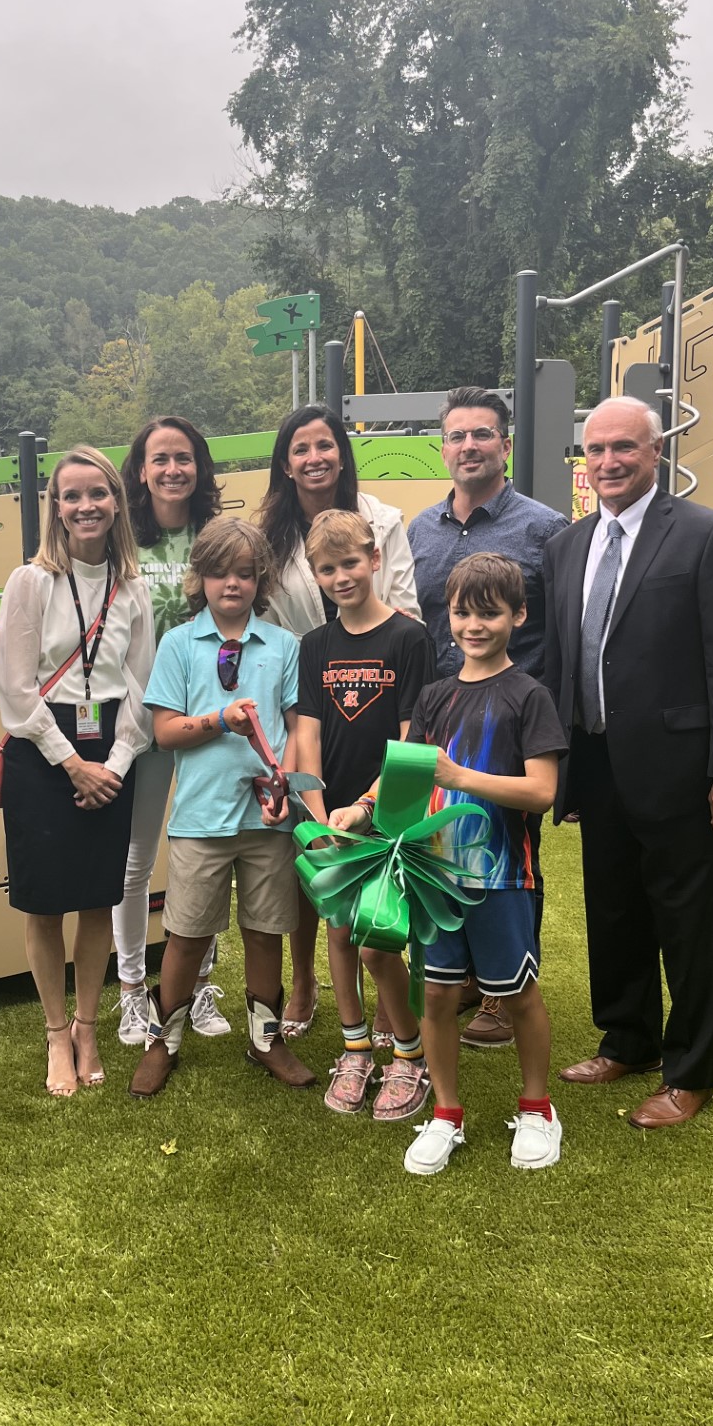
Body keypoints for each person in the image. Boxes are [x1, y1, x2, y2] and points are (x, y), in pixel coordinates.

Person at [540, 397, 713, 1128]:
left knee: (691, 924)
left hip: (682, 771)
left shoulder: (706, 534)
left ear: (656, 451)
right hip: (596, 762)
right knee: (613, 911)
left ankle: (690, 1073)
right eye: (596, 449)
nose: (608, 462)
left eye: (624, 448)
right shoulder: (566, 546)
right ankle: (626, 1040)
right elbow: (560, 662)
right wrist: (557, 760)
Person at [330, 554, 567, 1176]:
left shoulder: (531, 695)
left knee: (516, 995)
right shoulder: (435, 696)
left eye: (490, 613)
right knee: (436, 995)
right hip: (435, 880)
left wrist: (459, 776)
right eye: (463, 613)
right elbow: (404, 773)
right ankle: (445, 1113)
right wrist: (361, 808)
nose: (474, 625)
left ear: (518, 616)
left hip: (502, 877)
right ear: (448, 618)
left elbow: (542, 791)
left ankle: (537, 1109)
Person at [407, 385, 568, 1054]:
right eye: (456, 435)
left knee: (511, 850)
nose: (468, 446)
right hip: (444, 711)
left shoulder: (545, 529)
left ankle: (506, 989)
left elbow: (563, 630)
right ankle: (467, 972)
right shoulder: (419, 530)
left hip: (512, 721)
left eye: (481, 434)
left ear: (505, 444)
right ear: (442, 447)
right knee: (449, 843)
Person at [131, 517, 314, 1098]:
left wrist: (289, 791)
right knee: (186, 935)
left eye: (244, 572)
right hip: (200, 819)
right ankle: (163, 1041)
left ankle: (266, 1040)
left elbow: (296, 729)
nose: (231, 583)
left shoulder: (284, 646)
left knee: (265, 931)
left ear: (260, 579)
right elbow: (164, 732)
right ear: (200, 578)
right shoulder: (179, 644)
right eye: (219, 572)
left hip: (268, 818)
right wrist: (218, 720)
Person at [256, 404, 421, 1039]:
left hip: (380, 709)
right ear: (285, 462)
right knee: (316, 860)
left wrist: (376, 797)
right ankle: (307, 985)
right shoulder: (272, 534)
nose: (314, 457)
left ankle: (388, 1007)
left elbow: (404, 607)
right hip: (308, 709)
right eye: (300, 448)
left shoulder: (382, 521)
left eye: (325, 444)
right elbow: (262, 622)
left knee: (383, 877)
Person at [0, 446, 155, 1098]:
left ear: (116, 502)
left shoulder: (135, 589)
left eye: (98, 493)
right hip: (43, 753)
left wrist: (111, 767)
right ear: (55, 508)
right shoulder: (30, 582)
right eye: (72, 495)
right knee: (43, 904)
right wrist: (72, 765)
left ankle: (88, 1027)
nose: (86, 506)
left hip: (112, 750)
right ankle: (56, 1033)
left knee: (97, 897)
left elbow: (141, 690)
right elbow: (15, 689)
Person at [296, 510, 435, 1124]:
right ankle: (354, 1049)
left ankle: (409, 1054)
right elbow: (306, 735)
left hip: (390, 814)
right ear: (316, 576)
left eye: (350, 562)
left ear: (375, 560)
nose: (341, 577)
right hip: (330, 818)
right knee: (338, 930)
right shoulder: (314, 646)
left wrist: (366, 806)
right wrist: (317, 817)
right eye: (327, 569)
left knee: (380, 938)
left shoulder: (409, 638)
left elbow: (412, 742)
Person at [112, 416, 230, 1047]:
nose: (172, 470)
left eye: (183, 458)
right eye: (159, 459)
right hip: (141, 723)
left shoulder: (217, 536)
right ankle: (133, 990)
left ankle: (198, 983)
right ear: (140, 470)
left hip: (209, 723)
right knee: (135, 862)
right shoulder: (121, 539)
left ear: (200, 466)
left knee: (205, 858)